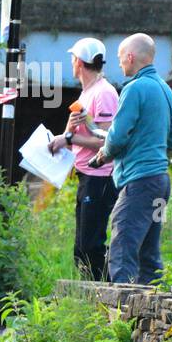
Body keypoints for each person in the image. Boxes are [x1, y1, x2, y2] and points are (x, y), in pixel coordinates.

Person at [85, 33, 172, 285]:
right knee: (149, 252)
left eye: (120, 58)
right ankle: (152, 312)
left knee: (123, 244)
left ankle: (121, 314)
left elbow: (117, 137)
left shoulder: (134, 88)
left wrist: (104, 153)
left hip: (139, 182)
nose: (119, 64)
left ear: (130, 57)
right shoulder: (165, 90)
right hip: (161, 183)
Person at [48, 38, 120, 280]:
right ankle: (91, 297)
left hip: (100, 176)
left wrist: (70, 139)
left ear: (78, 61)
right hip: (86, 175)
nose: (71, 63)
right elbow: (80, 134)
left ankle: (109, 294)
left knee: (91, 245)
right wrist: (65, 137)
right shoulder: (88, 92)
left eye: (72, 59)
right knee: (81, 246)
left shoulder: (104, 93)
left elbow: (107, 141)